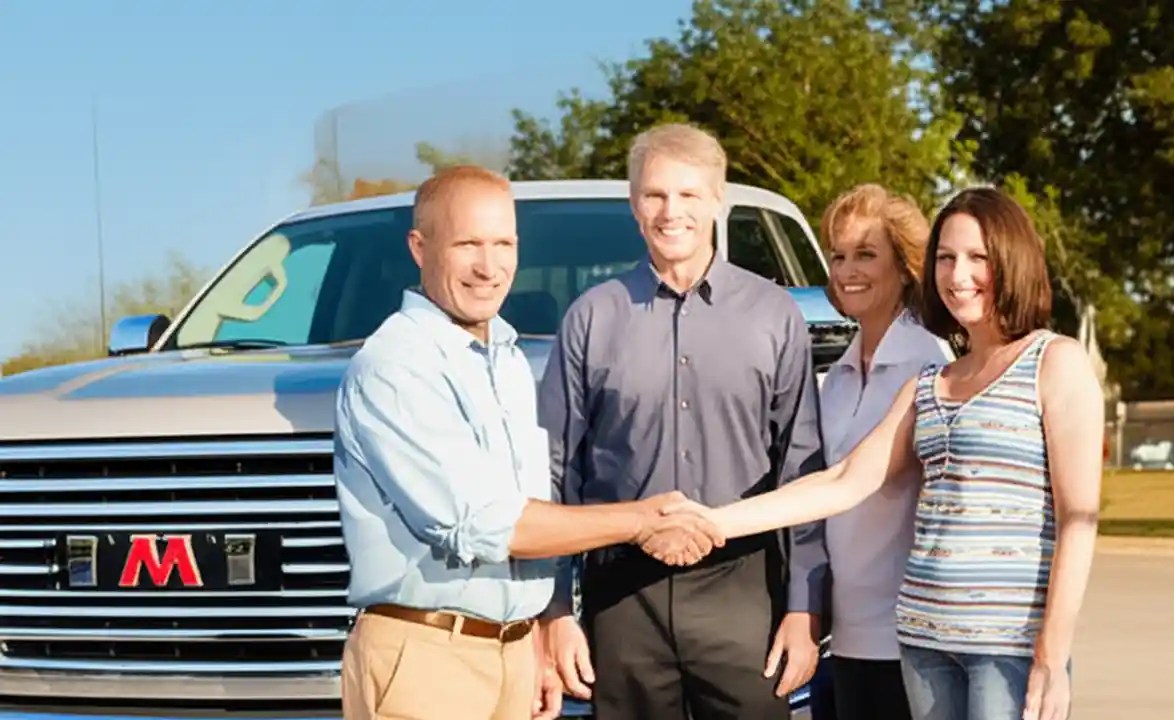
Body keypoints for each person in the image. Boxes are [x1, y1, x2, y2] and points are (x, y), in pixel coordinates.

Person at [665, 186, 1104, 720]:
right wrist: (712, 520)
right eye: (946, 258)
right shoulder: (931, 384)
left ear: (1012, 261)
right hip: (923, 643)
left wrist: (1051, 656)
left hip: (1006, 647)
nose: (957, 274)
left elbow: (1078, 521)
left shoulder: (1054, 361)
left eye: (977, 257)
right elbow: (843, 480)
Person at [334, 165, 724, 720]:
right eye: (468, 244)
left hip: (513, 656)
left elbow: (536, 508)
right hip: (425, 661)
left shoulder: (510, 360)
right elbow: (488, 523)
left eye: (504, 244)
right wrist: (643, 520)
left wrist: (537, 633)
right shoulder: (396, 366)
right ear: (419, 248)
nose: (489, 267)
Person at [537, 123, 828, 720]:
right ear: (634, 205)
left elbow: (803, 468)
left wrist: (805, 607)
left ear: (718, 199)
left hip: (743, 593)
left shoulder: (774, 315)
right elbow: (554, 471)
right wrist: (555, 613)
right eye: (655, 195)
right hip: (622, 597)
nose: (672, 212)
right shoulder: (591, 317)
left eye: (689, 195)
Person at [813, 184, 952, 719]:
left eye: (867, 254)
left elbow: (848, 480)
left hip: (909, 641)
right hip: (844, 637)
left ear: (906, 265)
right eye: (839, 255)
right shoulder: (838, 377)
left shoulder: (930, 364)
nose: (848, 269)